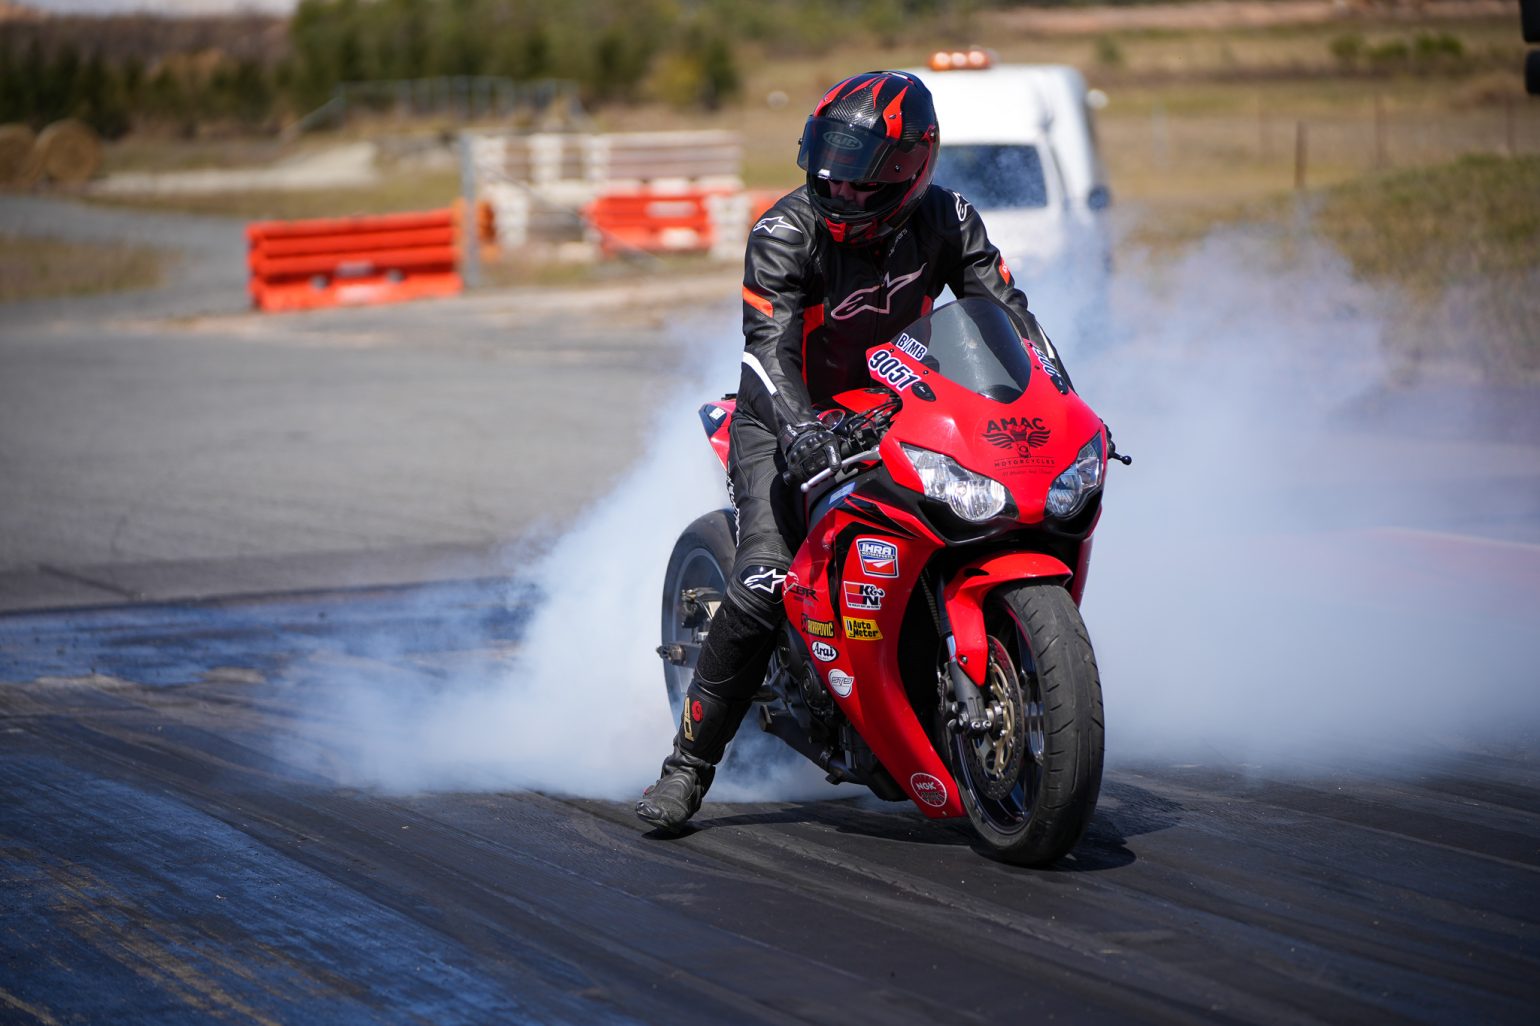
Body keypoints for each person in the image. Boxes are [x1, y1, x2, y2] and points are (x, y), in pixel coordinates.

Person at [636, 70, 1070, 833]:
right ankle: (688, 767)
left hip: (899, 405)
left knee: (983, 512)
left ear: (912, 167)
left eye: (861, 173)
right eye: (828, 162)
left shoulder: (949, 217)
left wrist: (1053, 402)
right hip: (783, 416)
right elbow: (766, 352)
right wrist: (802, 433)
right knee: (767, 578)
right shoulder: (784, 231)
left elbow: (1008, 317)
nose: (839, 185)